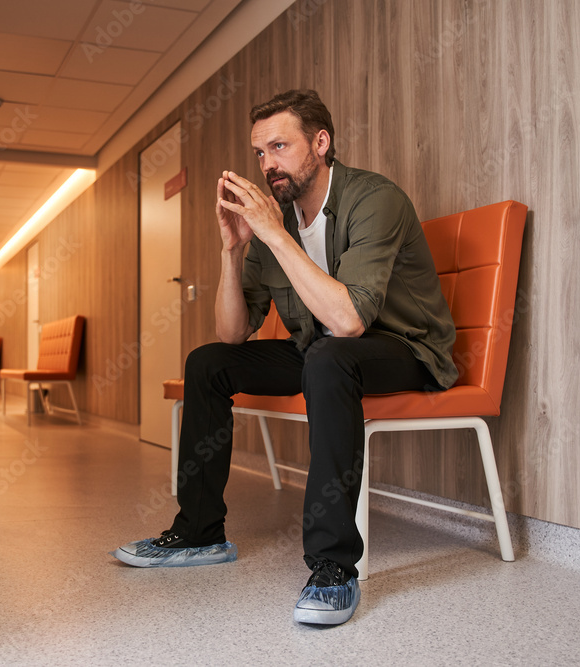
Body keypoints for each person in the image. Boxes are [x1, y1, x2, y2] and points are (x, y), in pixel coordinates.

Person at [113, 90, 458, 625]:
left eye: (279, 146)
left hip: (404, 347)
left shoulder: (374, 199)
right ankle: (199, 534)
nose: (267, 164)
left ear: (321, 143)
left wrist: (274, 234)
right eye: (259, 153)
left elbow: (349, 323)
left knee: (329, 358)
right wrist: (233, 251)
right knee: (209, 362)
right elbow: (231, 332)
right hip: (322, 352)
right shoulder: (279, 223)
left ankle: (334, 567)